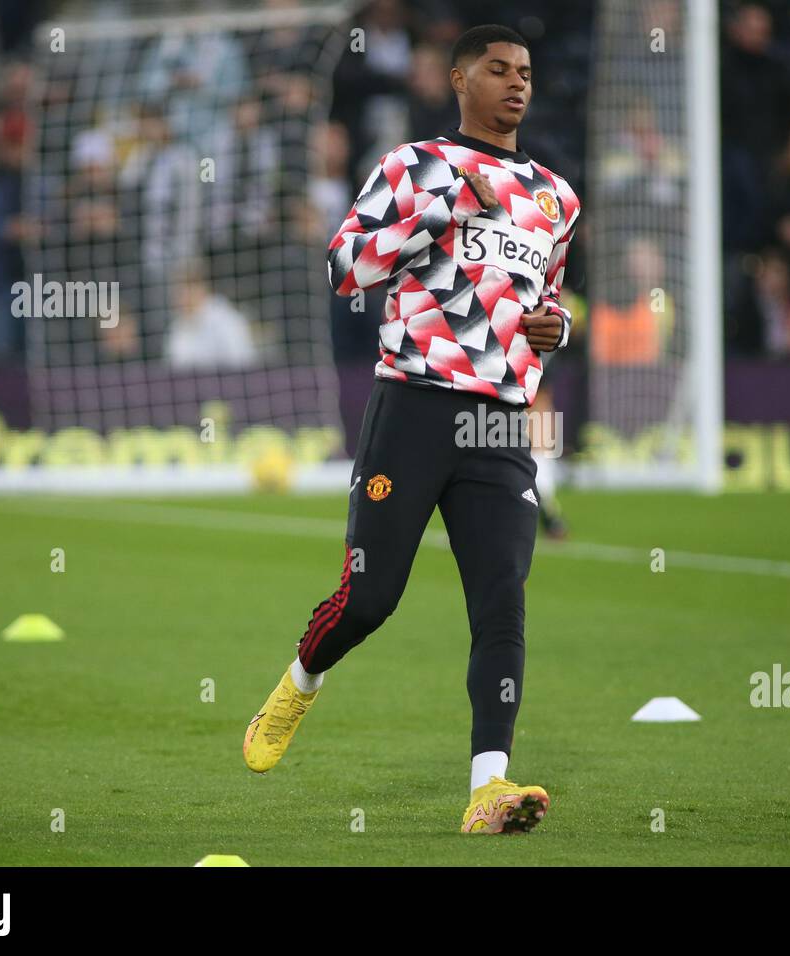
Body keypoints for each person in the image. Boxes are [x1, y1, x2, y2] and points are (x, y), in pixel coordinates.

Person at [242, 25, 580, 835]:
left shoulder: (557, 198)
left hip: (500, 422)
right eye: (498, 70)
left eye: (526, 72)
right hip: (414, 406)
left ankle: (487, 788)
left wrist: (554, 330)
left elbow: (550, 299)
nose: (516, 84)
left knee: (502, 602)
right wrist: (443, 211)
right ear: (459, 79)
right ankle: (298, 684)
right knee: (370, 599)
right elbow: (344, 267)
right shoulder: (413, 166)